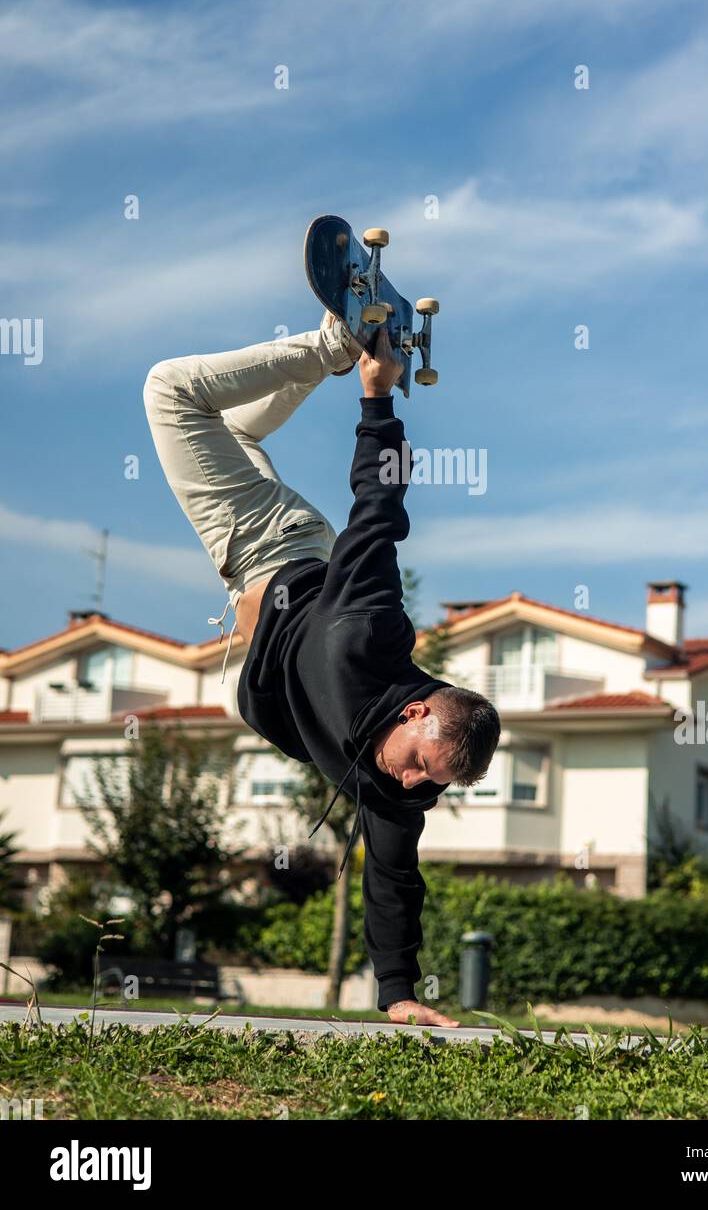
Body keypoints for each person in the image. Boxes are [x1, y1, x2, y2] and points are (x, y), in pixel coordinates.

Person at [143, 312, 500, 1026]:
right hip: (270, 543)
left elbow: (396, 882)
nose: (411, 782)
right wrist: (378, 398)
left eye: (429, 782)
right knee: (171, 391)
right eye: (418, 763)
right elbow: (380, 508)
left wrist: (398, 993)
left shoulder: (398, 793)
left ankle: (332, 340)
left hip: (254, 595)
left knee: (234, 434)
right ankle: (334, 344)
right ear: (416, 712)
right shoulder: (374, 631)